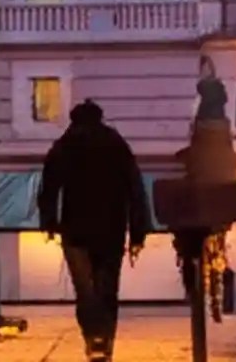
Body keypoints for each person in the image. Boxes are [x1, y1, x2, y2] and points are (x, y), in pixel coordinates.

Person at [38, 99, 152, 361]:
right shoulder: (115, 143)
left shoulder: (66, 144)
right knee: (108, 288)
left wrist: (49, 221)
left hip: (75, 229)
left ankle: (92, 338)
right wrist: (138, 231)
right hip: (111, 229)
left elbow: (49, 186)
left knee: (85, 290)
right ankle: (105, 342)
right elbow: (135, 188)